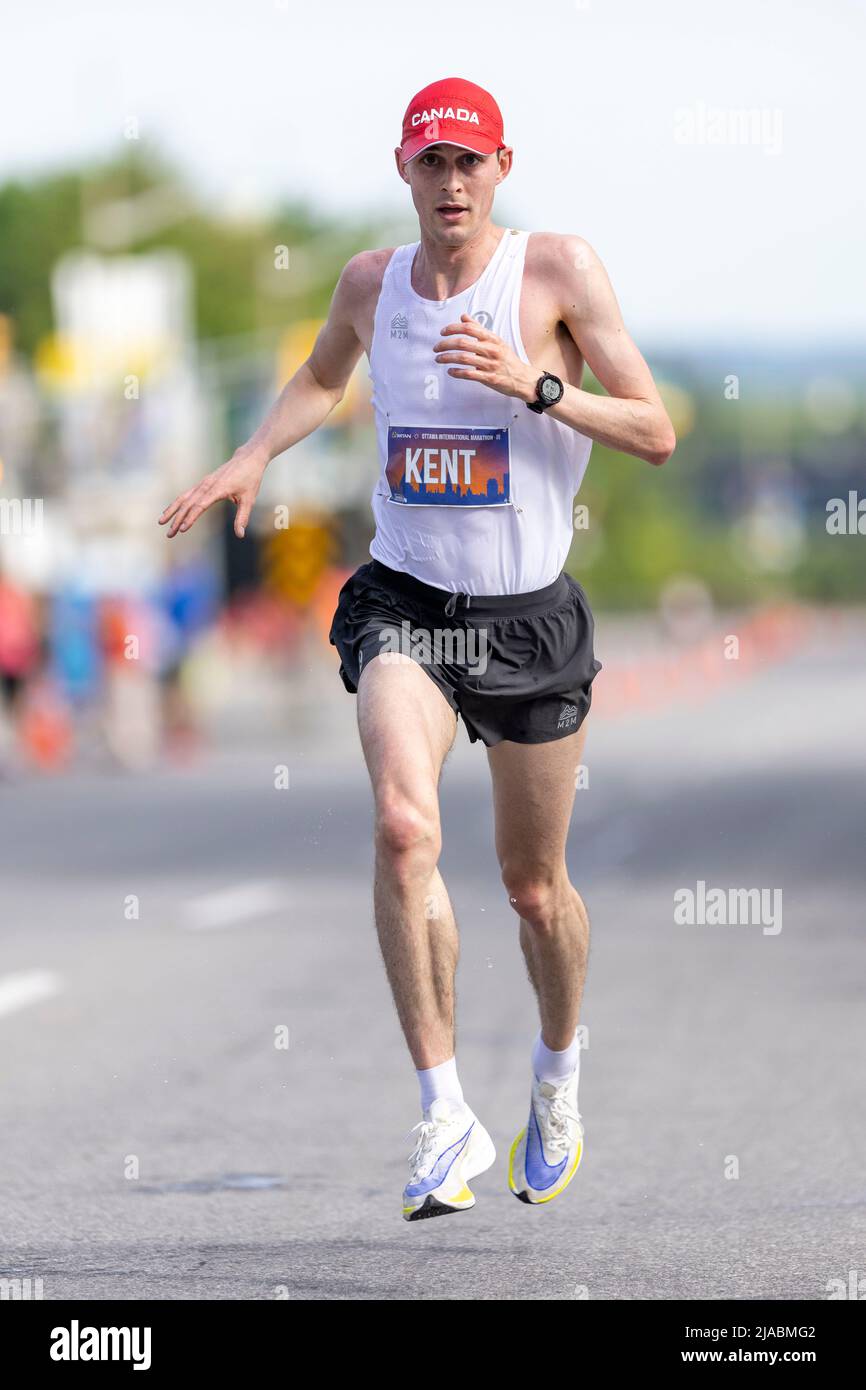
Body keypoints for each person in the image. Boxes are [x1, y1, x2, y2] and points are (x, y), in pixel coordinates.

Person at [159, 77, 675, 1220]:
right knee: (402, 825)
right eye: (431, 163)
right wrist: (254, 455)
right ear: (402, 168)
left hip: (527, 617)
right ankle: (442, 1116)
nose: (450, 183)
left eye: (469, 164)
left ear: (500, 169)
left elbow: (655, 431)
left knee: (531, 888)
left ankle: (553, 1076)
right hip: (405, 602)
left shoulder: (555, 272)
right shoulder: (368, 282)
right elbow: (320, 375)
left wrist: (537, 387)